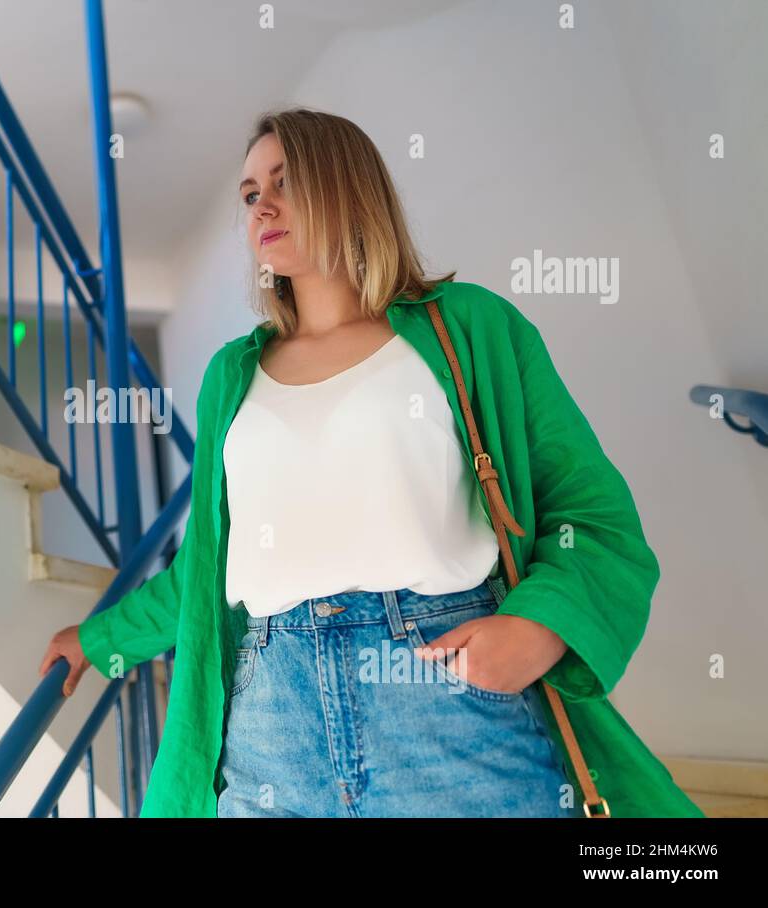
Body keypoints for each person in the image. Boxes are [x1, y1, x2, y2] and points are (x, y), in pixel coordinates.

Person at [40, 107, 702, 819]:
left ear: (347, 185)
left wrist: (538, 628)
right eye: (249, 193)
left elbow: (589, 512)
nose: (261, 204)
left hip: (446, 698)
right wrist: (98, 641)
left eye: (284, 180)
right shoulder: (232, 376)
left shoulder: (469, 328)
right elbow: (205, 571)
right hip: (272, 726)